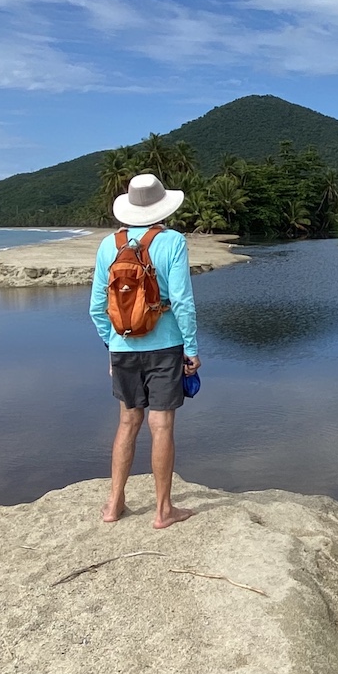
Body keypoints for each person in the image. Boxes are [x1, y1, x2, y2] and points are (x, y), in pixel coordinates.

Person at [89, 173, 202, 529]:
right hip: (165, 345)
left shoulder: (109, 244)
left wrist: (112, 346)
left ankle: (113, 504)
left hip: (122, 346)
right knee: (161, 424)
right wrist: (192, 349)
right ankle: (163, 511)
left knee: (127, 421)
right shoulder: (173, 241)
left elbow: (96, 307)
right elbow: (182, 301)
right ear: (163, 206)